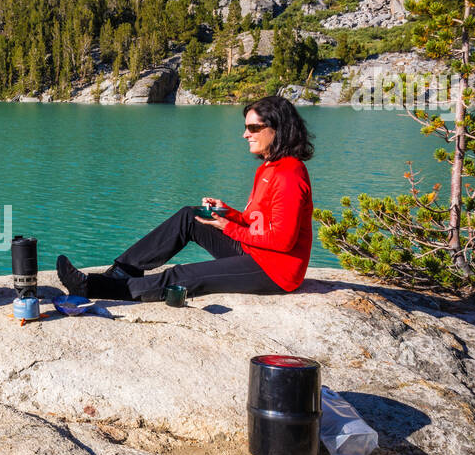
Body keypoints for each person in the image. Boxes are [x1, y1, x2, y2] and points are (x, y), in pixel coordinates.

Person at [56, 95, 314, 301]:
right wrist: (228, 213)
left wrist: (230, 228)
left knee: (183, 275)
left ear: (277, 129)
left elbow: (283, 241)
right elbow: (258, 221)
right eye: (245, 127)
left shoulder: (290, 174)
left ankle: (95, 287)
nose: (245, 134)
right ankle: (121, 271)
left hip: (275, 269)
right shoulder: (268, 167)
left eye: (253, 127)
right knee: (189, 216)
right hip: (254, 250)